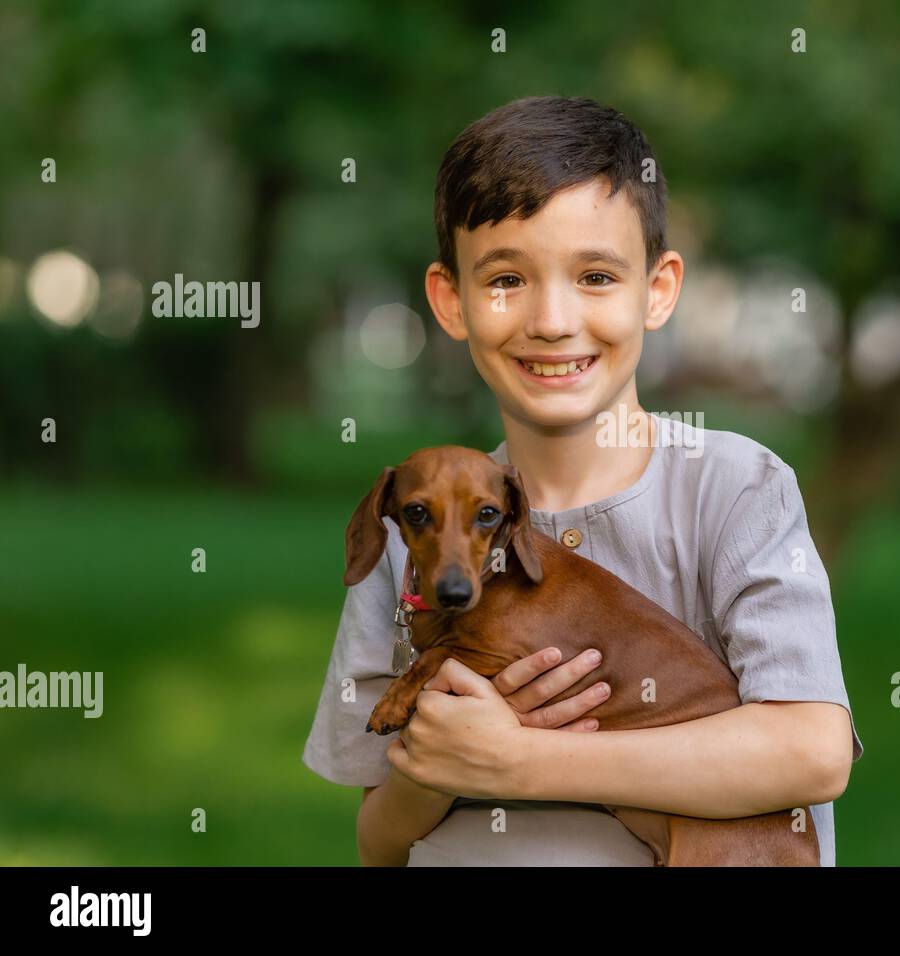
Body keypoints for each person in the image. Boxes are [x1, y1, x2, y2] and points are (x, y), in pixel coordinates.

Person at [302, 94, 863, 866]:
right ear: (450, 300)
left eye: (596, 275)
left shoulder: (735, 488)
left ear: (658, 290)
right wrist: (436, 769)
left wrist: (524, 762)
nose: (553, 318)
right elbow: (379, 840)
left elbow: (813, 752)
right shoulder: (418, 526)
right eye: (505, 279)